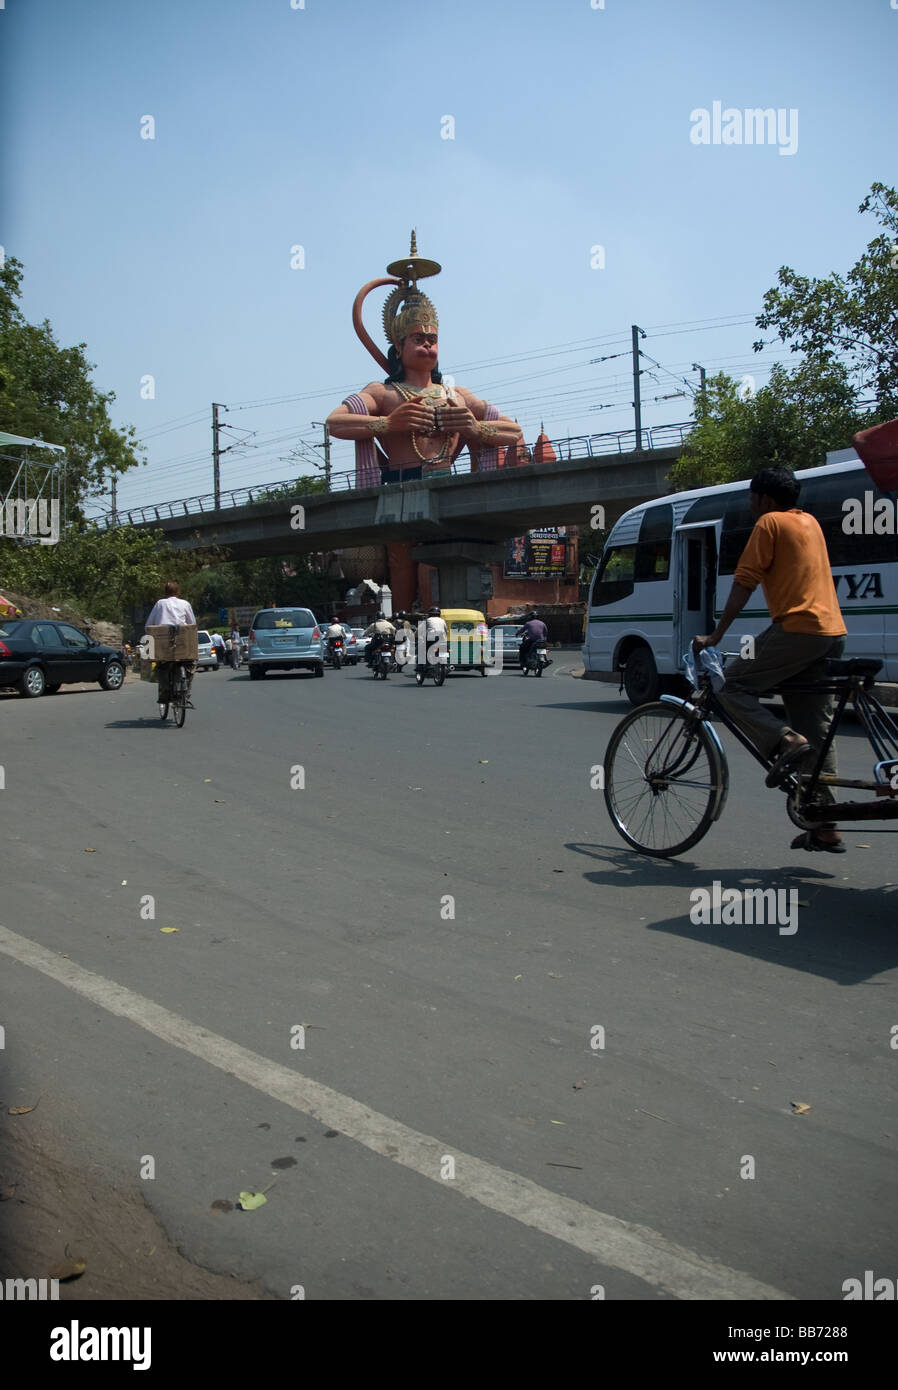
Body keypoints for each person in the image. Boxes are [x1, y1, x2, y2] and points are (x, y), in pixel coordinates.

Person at [693, 466, 847, 852]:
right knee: (817, 732)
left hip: (798, 630)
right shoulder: (809, 522)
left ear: (764, 498)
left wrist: (715, 635)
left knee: (731, 685)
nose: (750, 505)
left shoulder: (769, 523)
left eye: (751, 497)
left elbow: (745, 580)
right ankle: (824, 823)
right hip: (832, 634)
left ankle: (782, 739)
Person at [325, 235, 523, 485]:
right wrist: (389, 422)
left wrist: (475, 428)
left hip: (449, 486)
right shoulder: (383, 393)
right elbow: (334, 423)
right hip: (401, 488)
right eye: (418, 338)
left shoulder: (456, 395)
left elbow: (514, 431)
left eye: (432, 338)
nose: (428, 343)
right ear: (399, 345)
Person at [145, 581, 198, 704]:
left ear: (165, 592)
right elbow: (192, 625)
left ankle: (164, 693)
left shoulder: (160, 604)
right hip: (183, 644)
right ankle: (186, 694)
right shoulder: (185, 604)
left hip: (162, 645)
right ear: (178, 592)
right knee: (191, 666)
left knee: (162, 667)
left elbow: (148, 625)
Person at [418, 606, 448, 674]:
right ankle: (445, 664)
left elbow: (420, 630)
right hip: (441, 639)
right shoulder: (442, 620)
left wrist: (415, 635)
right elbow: (446, 631)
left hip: (431, 639)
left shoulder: (427, 620)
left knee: (421, 650)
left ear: (430, 614)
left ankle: (422, 665)